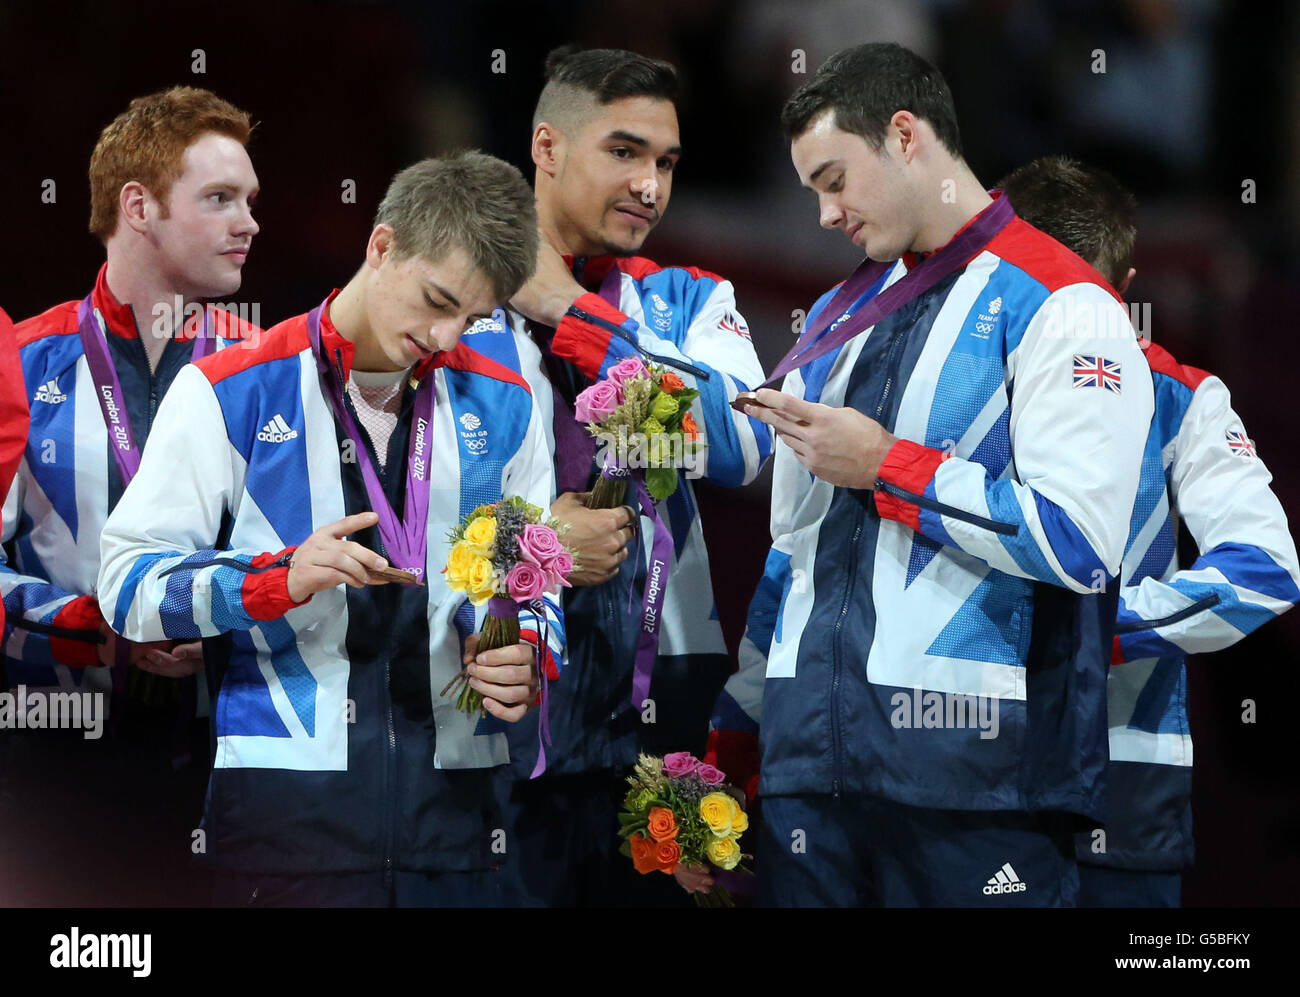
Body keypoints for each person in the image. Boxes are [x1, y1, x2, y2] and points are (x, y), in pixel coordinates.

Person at [714, 42, 1153, 907]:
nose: (824, 214)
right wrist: (732, 752)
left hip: (979, 781)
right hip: (812, 777)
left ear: (906, 136)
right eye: (812, 190)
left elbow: (1080, 542)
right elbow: (789, 556)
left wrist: (886, 466)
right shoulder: (836, 317)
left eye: (834, 180)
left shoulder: (1064, 302)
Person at [97, 151, 562, 907]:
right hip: (284, 829)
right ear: (381, 247)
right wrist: (273, 579)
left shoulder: (505, 404)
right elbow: (127, 586)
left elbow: (538, 582)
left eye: (472, 318)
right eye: (437, 299)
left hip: (461, 836)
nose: (446, 338)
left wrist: (527, 646)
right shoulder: (231, 387)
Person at [492, 45, 772, 907]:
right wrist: (528, 545)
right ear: (546, 148)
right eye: (624, 152)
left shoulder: (690, 298)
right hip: (495, 690)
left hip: (663, 712)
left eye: (666, 163)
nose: (651, 185)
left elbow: (738, 447)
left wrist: (571, 316)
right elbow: (408, 501)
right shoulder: (453, 304)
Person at [999, 155, 1300, 907]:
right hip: (960, 783)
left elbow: (1265, 568)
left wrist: (1099, 631)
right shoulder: (950, 380)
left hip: (1120, 788)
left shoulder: (1183, 398)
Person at [1, 87, 261, 903]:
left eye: (251, 200)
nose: (249, 222)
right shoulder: (20, 362)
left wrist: (212, 617)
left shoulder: (268, 372)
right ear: (138, 206)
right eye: (219, 199)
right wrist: (98, 627)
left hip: (232, 763)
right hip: (52, 764)